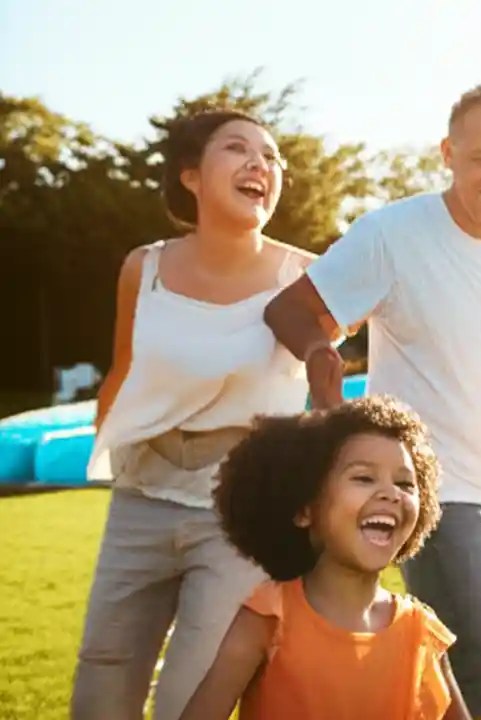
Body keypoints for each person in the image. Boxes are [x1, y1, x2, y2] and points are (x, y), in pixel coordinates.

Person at [263, 84, 481, 718]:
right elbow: (291, 310)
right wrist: (323, 369)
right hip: (425, 486)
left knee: (448, 673)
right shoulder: (393, 234)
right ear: (448, 153)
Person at [71, 110, 314, 720]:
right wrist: (103, 459)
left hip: (239, 513)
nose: (262, 164)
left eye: (272, 156)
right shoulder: (143, 267)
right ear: (191, 176)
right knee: (101, 682)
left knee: (193, 696)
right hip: (142, 498)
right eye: (238, 149)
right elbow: (122, 371)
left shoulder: (307, 277)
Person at [179, 396, 470, 720]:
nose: (391, 493)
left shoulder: (422, 633)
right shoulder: (268, 619)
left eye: (405, 483)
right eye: (364, 478)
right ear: (305, 507)